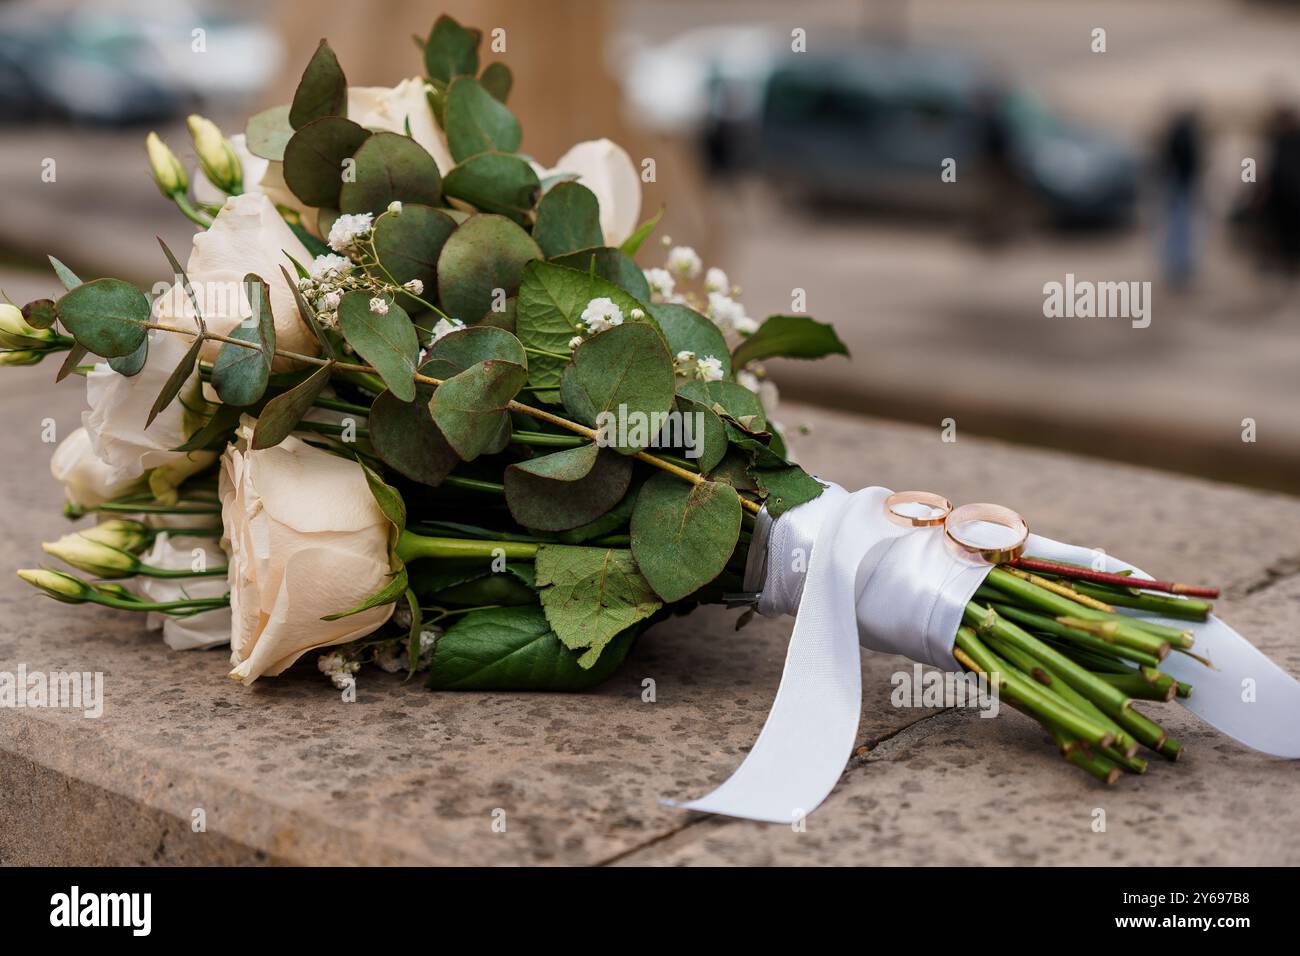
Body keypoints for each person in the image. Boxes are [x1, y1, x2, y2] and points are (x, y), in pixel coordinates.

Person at [1159, 108, 1202, 288]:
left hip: (1179, 185)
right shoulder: (1185, 136)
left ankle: (1177, 268)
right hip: (1181, 186)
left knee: (1178, 229)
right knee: (1180, 229)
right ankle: (1178, 268)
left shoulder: (1178, 134)